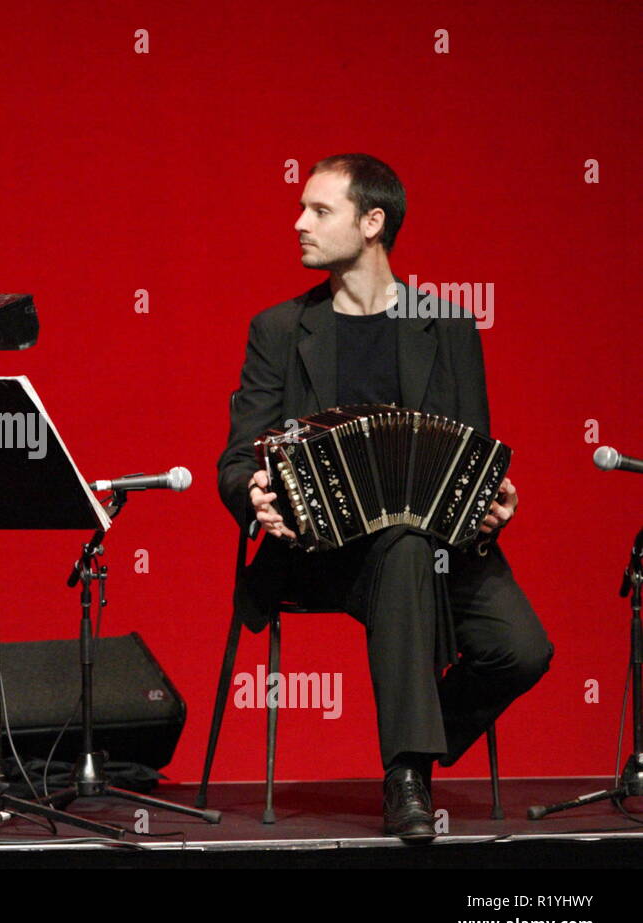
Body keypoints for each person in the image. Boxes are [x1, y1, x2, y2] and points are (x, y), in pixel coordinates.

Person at [216, 153, 552, 843]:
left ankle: (417, 741)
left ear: (373, 223)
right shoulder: (280, 330)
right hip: (318, 549)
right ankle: (407, 776)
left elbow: (471, 450)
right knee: (402, 545)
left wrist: (490, 504)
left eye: (318, 210)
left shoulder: (448, 326)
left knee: (523, 649)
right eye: (302, 208)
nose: (298, 223)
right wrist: (255, 495)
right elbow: (235, 456)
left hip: (440, 547)